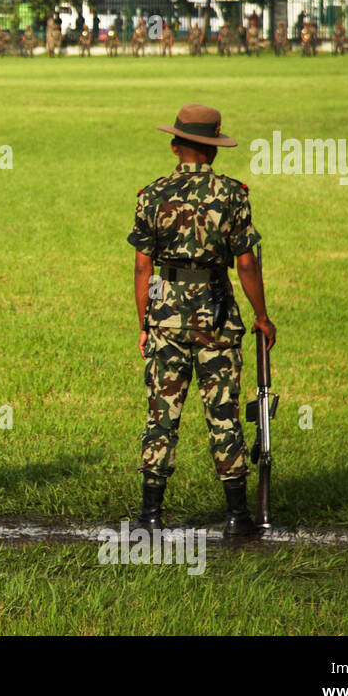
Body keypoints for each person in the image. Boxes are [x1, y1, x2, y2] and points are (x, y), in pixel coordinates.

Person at [127, 103, 276, 539]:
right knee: (224, 414)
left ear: (175, 147)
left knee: (161, 415)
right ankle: (237, 518)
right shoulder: (232, 194)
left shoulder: (151, 195)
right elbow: (246, 264)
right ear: (213, 151)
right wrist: (262, 317)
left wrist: (145, 323)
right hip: (217, 315)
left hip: (165, 317)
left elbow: (143, 269)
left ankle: (150, 516)